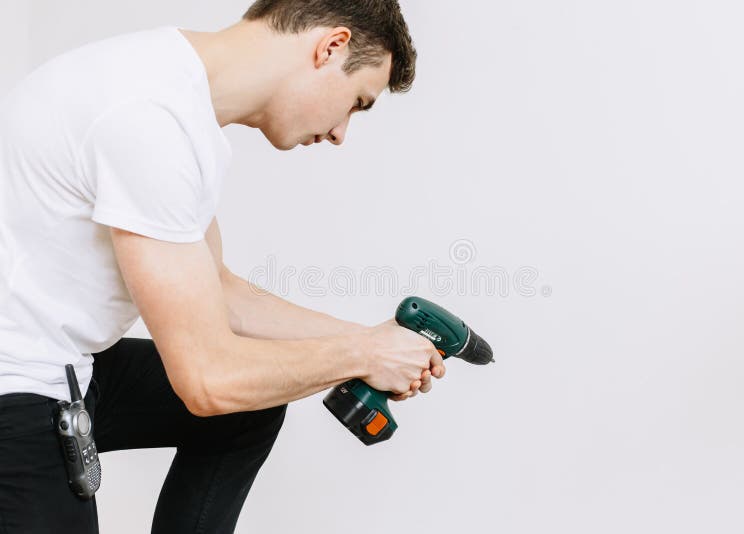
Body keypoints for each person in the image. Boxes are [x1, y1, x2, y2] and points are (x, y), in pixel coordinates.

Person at [0, 1, 446, 532]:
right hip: (17, 387)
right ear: (331, 47)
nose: (340, 133)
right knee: (231, 394)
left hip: (61, 362)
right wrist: (360, 353)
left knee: (249, 409)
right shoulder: (150, 119)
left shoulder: (168, 88)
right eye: (356, 102)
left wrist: (372, 342)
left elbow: (221, 293)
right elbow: (208, 380)